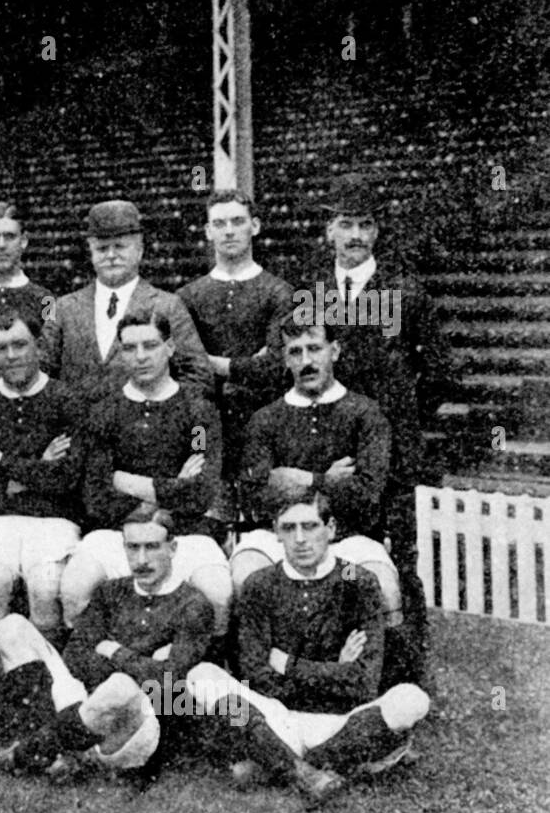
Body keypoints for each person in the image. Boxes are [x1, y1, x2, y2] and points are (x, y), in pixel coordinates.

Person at [301, 172, 454, 681]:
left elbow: (439, 375)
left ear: (377, 233)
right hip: (325, 444)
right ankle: (332, 668)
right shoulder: (311, 292)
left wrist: (396, 419)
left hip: (389, 452)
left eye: (365, 225)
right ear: (329, 231)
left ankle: (408, 672)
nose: (356, 235)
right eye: (346, 224)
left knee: (398, 560)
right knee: (330, 549)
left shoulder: (406, 293)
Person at [187, 491, 430, 806]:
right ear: (276, 531)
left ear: (330, 529)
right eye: (289, 528)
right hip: (278, 719)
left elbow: (363, 683)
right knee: (202, 676)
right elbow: (256, 675)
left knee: (411, 699)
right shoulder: (260, 585)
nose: (300, 539)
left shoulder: (359, 582)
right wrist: (337, 669)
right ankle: (307, 771)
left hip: (339, 722)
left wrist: (289, 664)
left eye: (310, 526)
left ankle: (275, 763)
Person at [0, 511, 215, 782]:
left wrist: (114, 651)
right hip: (87, 703)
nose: (142, 560)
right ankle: (62, 749)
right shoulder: (111, 592)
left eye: (152, 547)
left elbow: (170, 683)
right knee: (11, 627)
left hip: (144, 718)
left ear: (173, 548)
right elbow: (75, 656)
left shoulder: (193, 605)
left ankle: (18, 756)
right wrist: (140, 662)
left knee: (120, 686)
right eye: (133, 548)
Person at [0, 306, 85, 743]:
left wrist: (3, 464)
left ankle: (45, 704)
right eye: (2, 348)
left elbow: (68, 479)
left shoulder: (67, 400)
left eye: (20, 345)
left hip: (53, 519)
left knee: (47, 587)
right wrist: (31, 471)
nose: (12, 356)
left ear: (39, 346)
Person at [60, 308, 232, 636]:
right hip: (117, 533)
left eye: (150, 345)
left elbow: (201, 491)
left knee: (218, 593)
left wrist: (126, 481)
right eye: (129, 348)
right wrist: (169, 490)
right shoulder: (103, 413)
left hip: (185, 532)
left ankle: (206, 674)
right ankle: (88, 673)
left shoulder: (198, 411)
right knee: (74, 588)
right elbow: (96, 496)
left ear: (169, 347)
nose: (140, 356)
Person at [233, 317, 400, 627]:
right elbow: (254, 497)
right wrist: (328, 481)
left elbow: (367, 494)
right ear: (285, 359)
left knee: (383, 588)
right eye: (295, 352)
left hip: (347, 543)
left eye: (315, 349)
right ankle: (255, 673)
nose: (306, 361)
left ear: (334, 351)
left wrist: (302, 479)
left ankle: (383, 675)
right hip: (279, 540)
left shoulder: (365, 414)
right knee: (247, 577)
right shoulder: (265, 420)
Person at [175, 190, 293, 522]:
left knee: (265, 528)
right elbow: (182, 366)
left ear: (254, 226)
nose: (229, 231)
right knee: (208, 525)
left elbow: (275, 367)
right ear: (208, 231)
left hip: (264, 426)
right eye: (220, 223)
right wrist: (244, 366)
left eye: (238, 222)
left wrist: (211, 362)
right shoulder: (188, 296)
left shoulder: (279, 292)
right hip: (205, 428)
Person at [40, 200, 210, 400]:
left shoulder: (168, 305)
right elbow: (41, 369)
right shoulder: (63, 307)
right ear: (91, 253)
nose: (111, 256)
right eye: (102, 249)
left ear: (139, 251)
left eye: (120, 247)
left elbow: (198, 375)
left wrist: (163, 415)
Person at [0, 202, 54, 332]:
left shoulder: (46, 299)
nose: (1, 245)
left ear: (23, 241)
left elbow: (51, 346)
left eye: (9, 236)